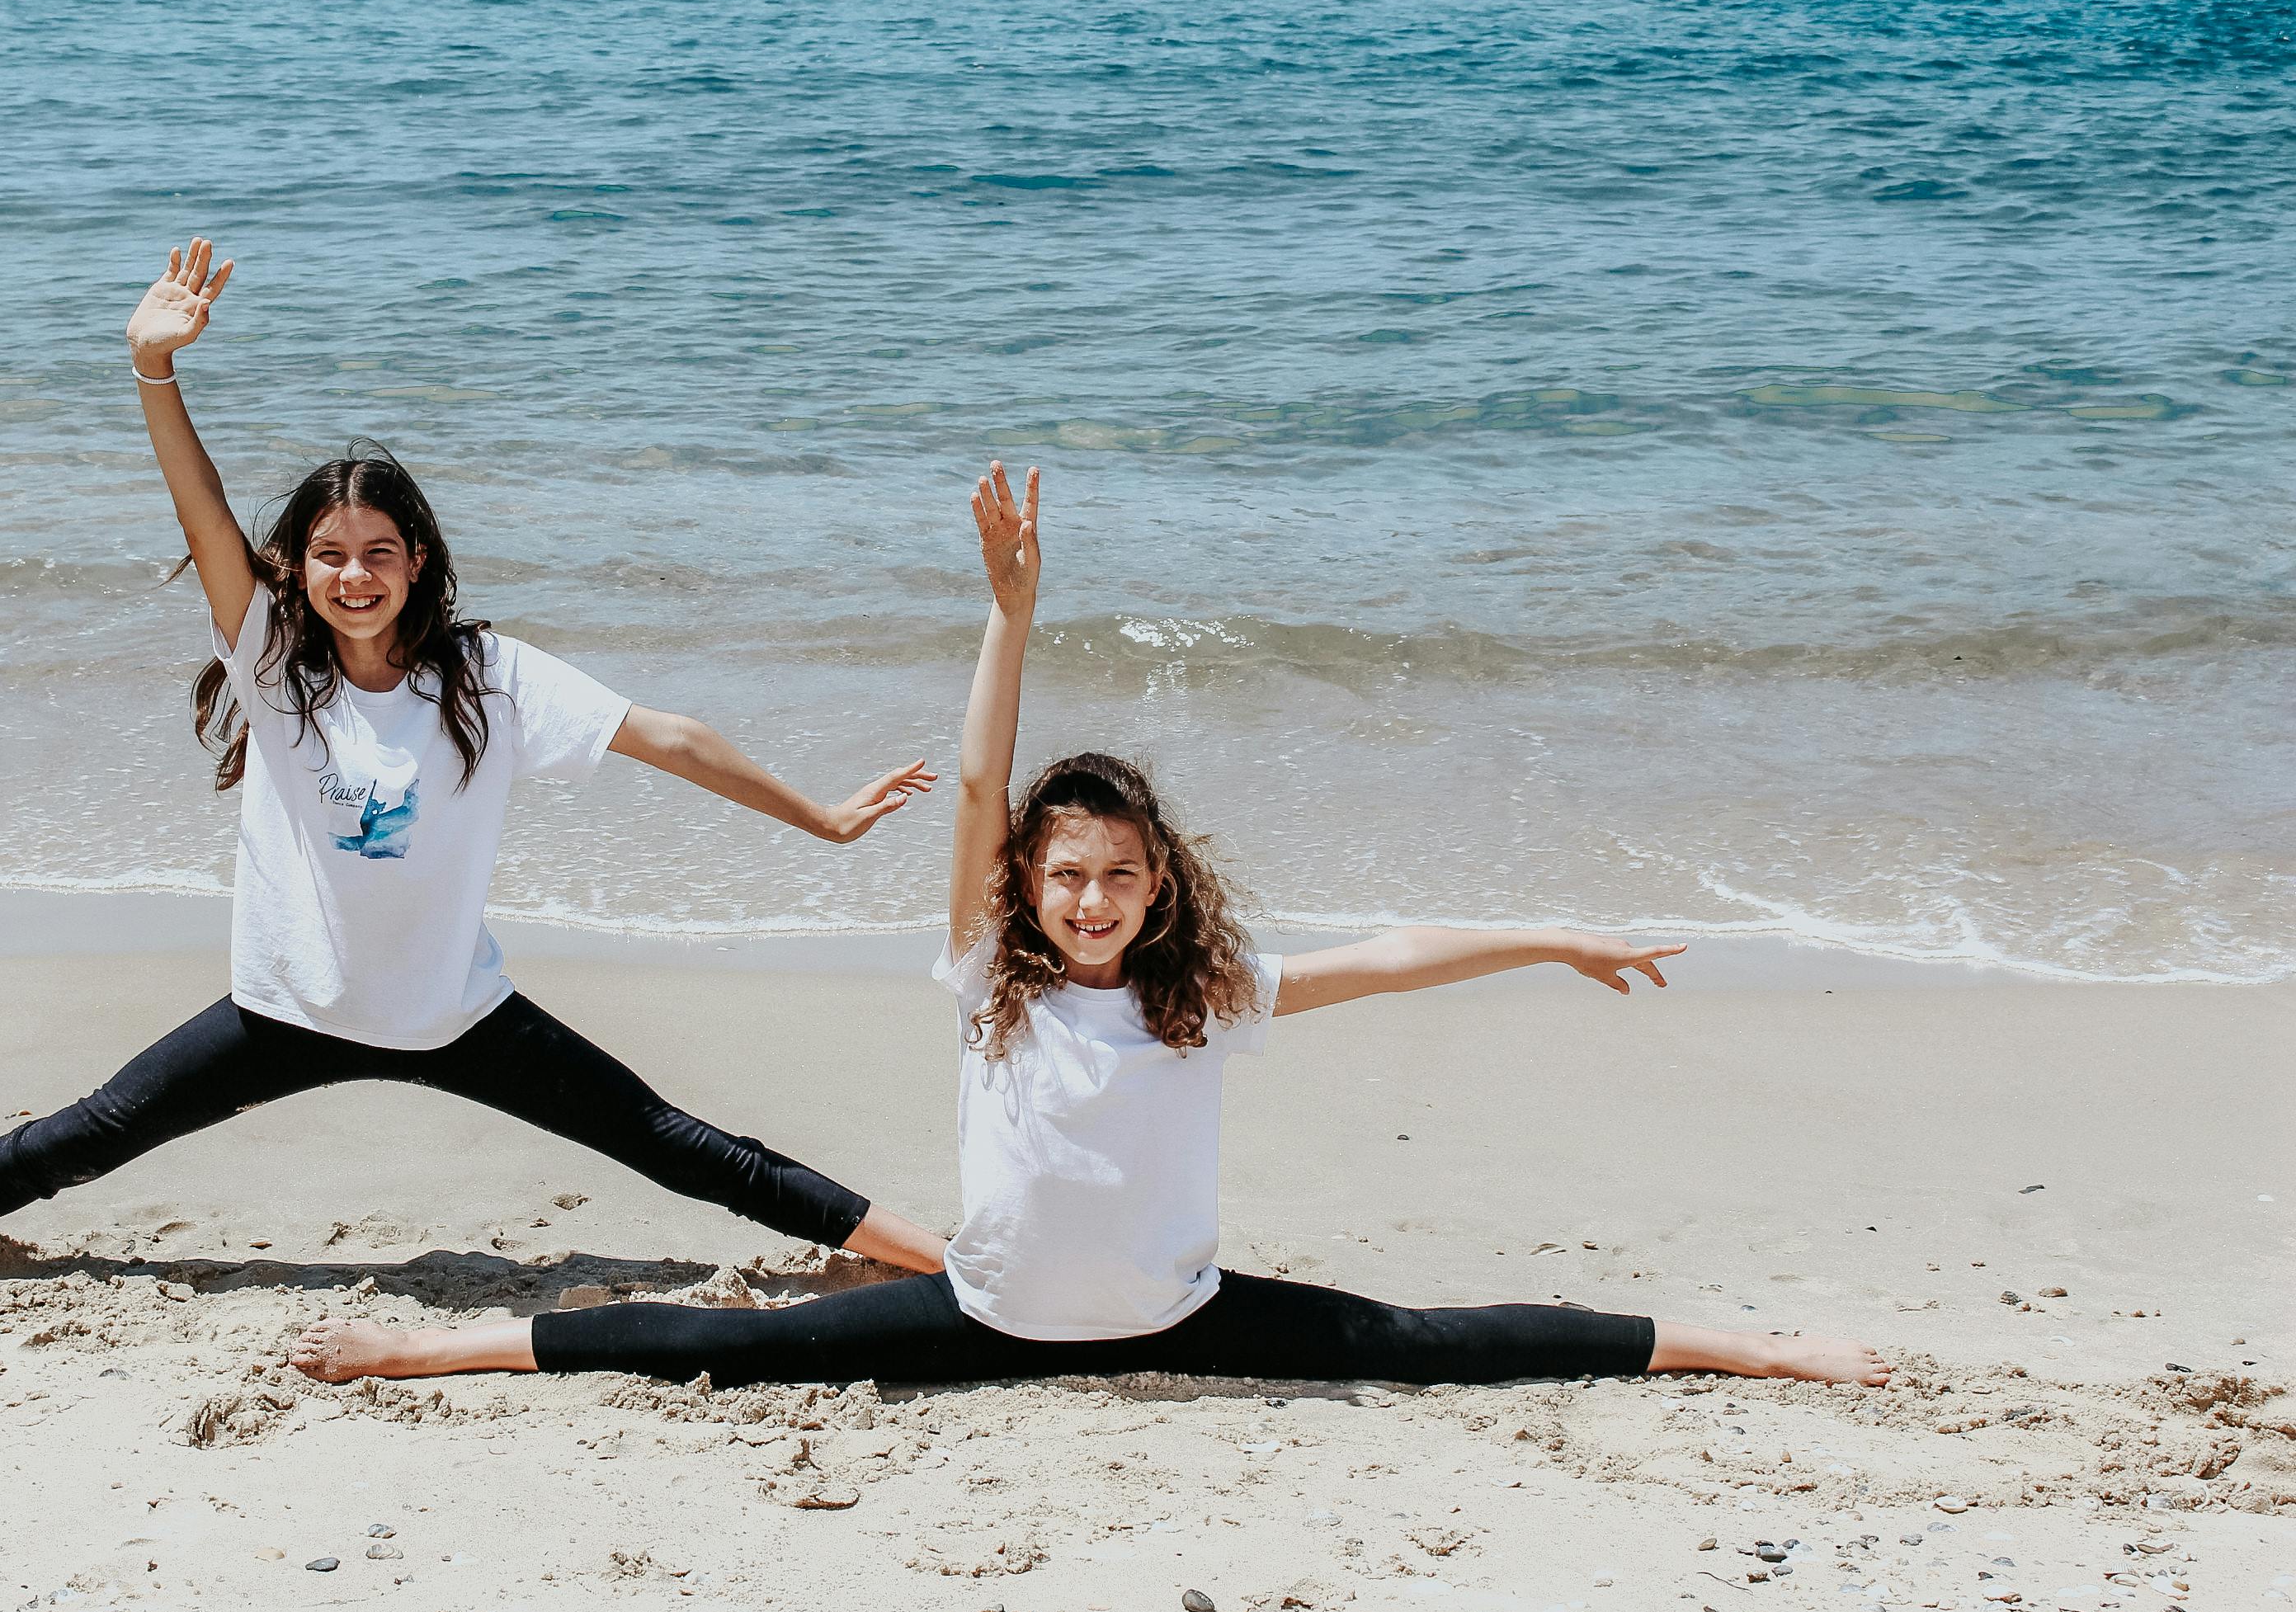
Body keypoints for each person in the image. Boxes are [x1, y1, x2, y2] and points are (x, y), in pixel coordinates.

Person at [286, 463, 1892, 1392]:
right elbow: (985, 782)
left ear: (1158, 887)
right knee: (727, 1341)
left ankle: (1745, 1348)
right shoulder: (989, 974)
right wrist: (1012, 614)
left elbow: (1395, 956)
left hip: (1178, 1318)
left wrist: (1553, 938)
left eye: (1118, 877)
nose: (1089, 898)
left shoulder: (1207, 996)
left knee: (1424, 1340)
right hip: (984, 1316)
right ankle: (440, 1356)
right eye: (1064, 877)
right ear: (1028, 890)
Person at [0, 239, 948, 1289]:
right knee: (87, 1134)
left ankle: (937, 1256)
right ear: (298, 568)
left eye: (378, 551)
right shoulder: (272, 662)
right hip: (287, 1010)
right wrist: (154, 370)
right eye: (328, 553)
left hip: (453, 1015)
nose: (354, 575)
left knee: (674, 1143)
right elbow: (202, 513)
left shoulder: (491, 676)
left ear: (418, 560)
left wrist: (822, 818)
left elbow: (668, 735)